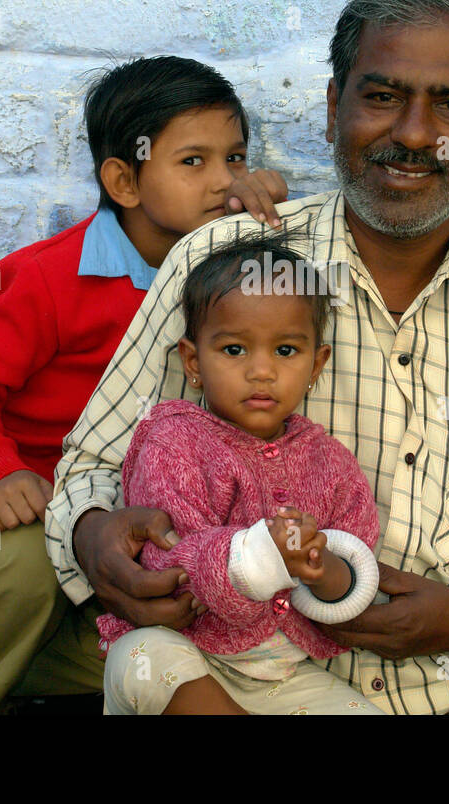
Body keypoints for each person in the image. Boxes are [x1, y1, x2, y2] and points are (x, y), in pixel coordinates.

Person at [0, 53, 449, 714]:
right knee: (24, 577)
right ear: (124, 182)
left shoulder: (234, 272)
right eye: (195, 164)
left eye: (235, 160)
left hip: (147, 513)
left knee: (154, 614)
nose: (223, 181)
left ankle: (70, 665)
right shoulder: (52, 276)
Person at [46, 0, 449, 715]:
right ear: (334, 107)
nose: (411, 133)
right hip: (230, 679)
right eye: (381, 96)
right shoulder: (227, 264)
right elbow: (94, 463)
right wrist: (94, 538)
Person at [100, 232, 384, 714]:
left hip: (283, 673)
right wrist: (262, 557)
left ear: (317, 364)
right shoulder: (173, 441)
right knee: (143, 657)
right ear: (193, 361)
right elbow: (168, 565)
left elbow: (355, 561)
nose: (261, 371)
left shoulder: (328, 459)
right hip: (189, 654)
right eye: (234, 350)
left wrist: (324, 569)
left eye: (285, 351)